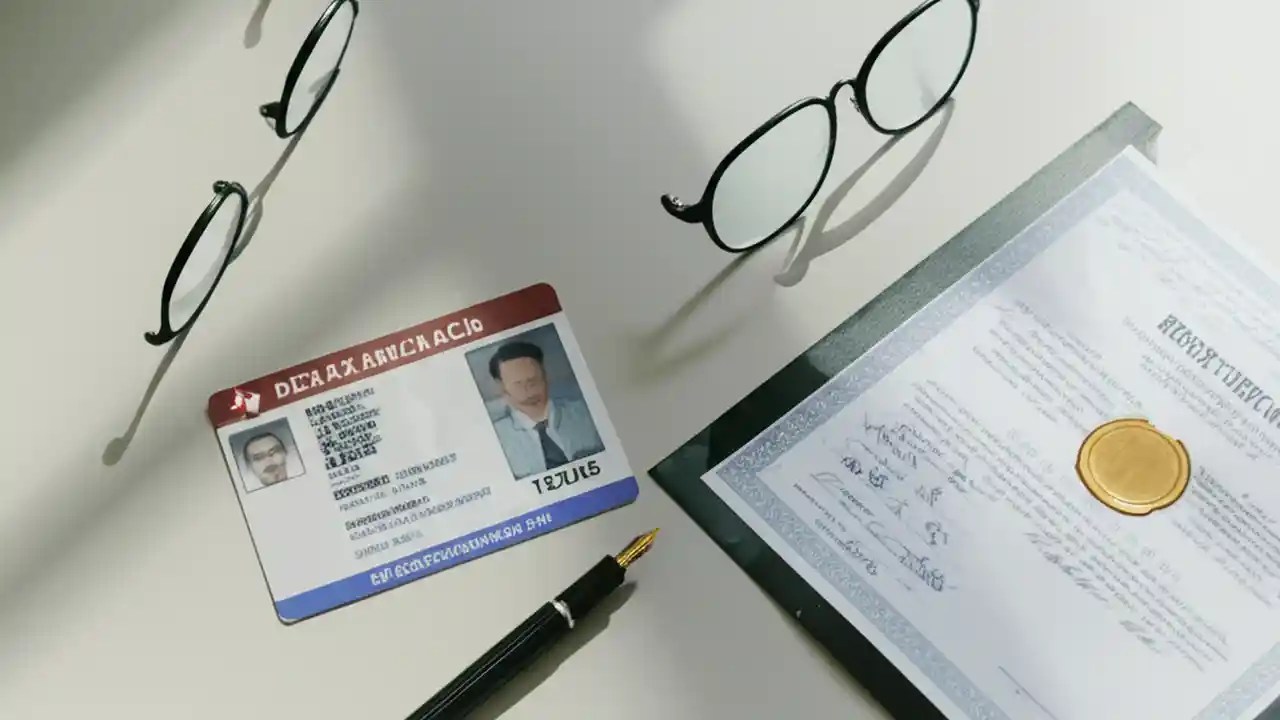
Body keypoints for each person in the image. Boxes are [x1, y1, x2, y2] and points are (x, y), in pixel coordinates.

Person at [488, 340, 604, 479]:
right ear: (502, 388)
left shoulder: (586, 412)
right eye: (518, 384)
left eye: (533, 380)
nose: (528, 390)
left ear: (546, 376)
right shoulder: (495, 438)